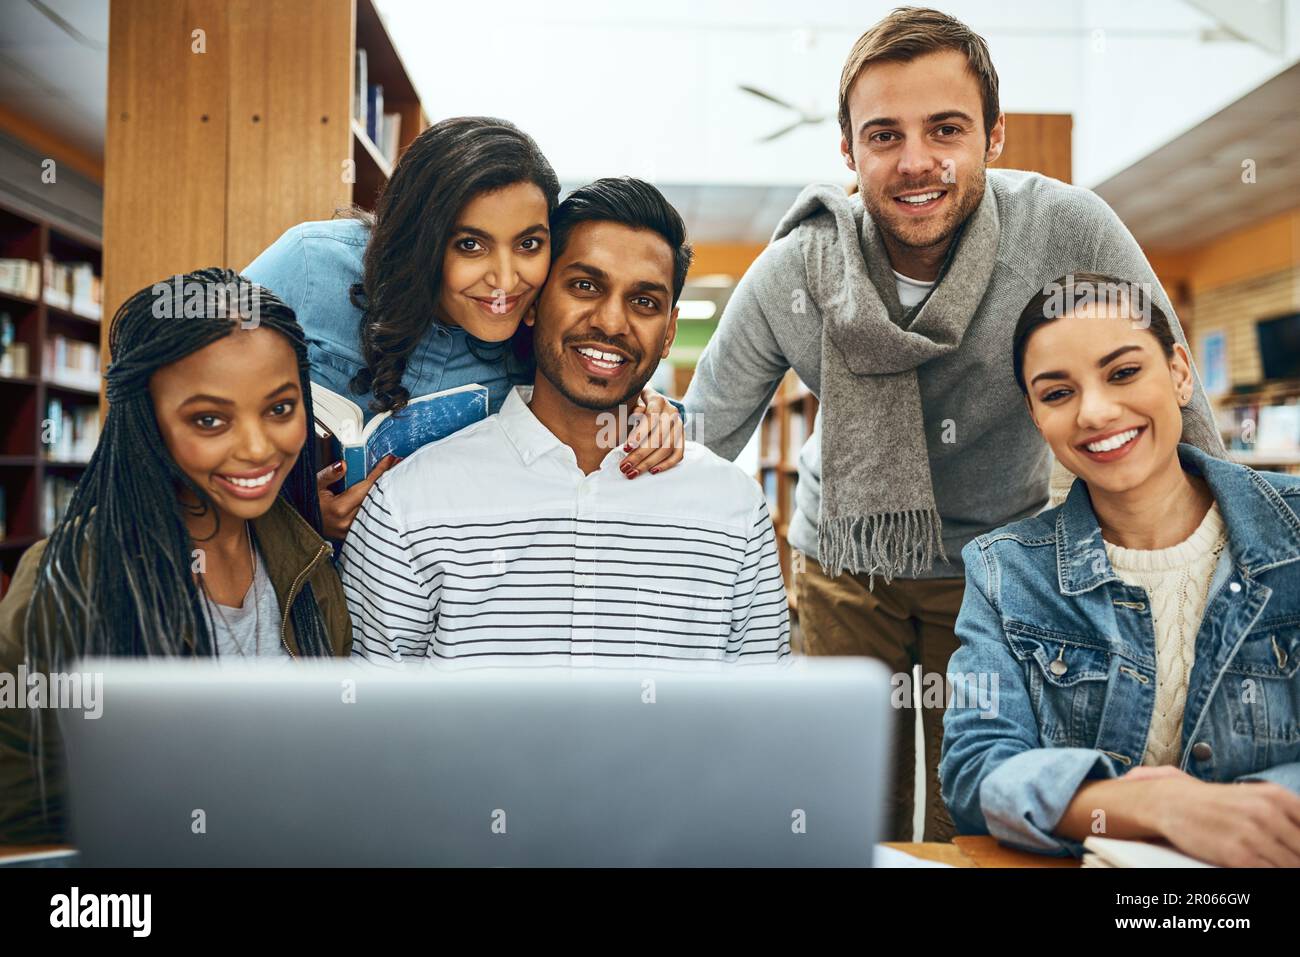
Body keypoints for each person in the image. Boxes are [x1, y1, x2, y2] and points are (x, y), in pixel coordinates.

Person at [681, 6, 1223, 841]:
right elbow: (698, 436)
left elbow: (1177, 400)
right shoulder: (798, 268)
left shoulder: (1065, 228)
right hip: (844, 564)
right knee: (840, 808)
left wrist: (1243, 564)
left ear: (993, 136)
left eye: (945, 129)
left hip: (999, 570)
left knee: (974, 812)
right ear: (848, 151)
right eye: (884, 135)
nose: (915, 162)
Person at [342, 178, 790, 665]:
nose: (612, 322)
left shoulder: (735, 512)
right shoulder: (408, 503)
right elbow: (366, 722)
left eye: (644, 302)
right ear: (532, 302)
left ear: (669, 334)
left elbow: (766, 724)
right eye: (585, 286)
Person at [940, 273, 1300, 867]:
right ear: (1035, 416)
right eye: (1057, 394)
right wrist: (1164, 809)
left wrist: (1245, 816)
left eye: (1123, 373)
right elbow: (978, 775)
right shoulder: (1004, 573)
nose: (1096, 412)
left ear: (1180, 372)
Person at [0, 268, 353, 844]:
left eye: (280, 409)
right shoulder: (67, 577)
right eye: (209, 420)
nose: (259, 447)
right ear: (147, 421)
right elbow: (19, 822)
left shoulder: (308, 563)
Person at [245, 116, 684, 540]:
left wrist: (649, 405)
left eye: (529, 244)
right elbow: (185, 364)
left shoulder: (535, 334)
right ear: (424, 240)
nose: (506, 280)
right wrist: (290, 520)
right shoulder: (312, 264)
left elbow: (598, 375)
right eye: (471, 245)